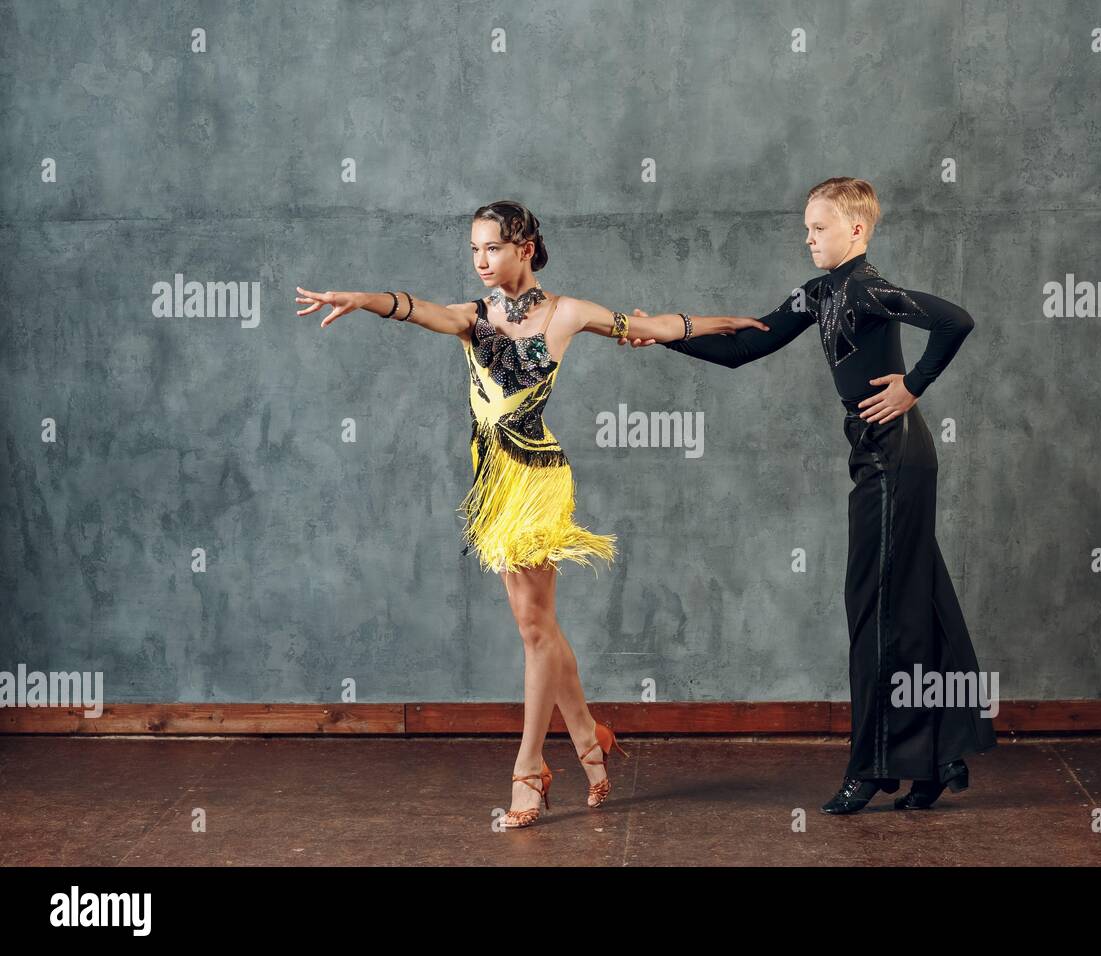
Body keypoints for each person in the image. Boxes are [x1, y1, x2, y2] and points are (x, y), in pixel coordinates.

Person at [296, 200, 768, 827]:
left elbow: (646, 326)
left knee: (535, 630)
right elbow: (416, 309)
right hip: (495, 482)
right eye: (473, 250)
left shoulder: (565, 313)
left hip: (539, 480)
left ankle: (528, 770)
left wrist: (722, 324)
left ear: (524, 246)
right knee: (538, 629)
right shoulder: (474, 316)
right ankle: (590, 741)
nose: (481, 261)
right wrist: (363, 297)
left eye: (491, 247)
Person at [619, 177, 997, 813]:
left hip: (894, 453)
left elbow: (955, 321)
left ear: (856, 230)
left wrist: (913, 386)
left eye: (818, 228)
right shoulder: (820, 293)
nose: (808, 237)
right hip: (880, 451)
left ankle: (876, 766)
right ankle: (936, 760)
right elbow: (746, 344)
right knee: (918, 602)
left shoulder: (869, 286)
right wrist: (665, 333)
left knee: (875, 607)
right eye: (807, 228)